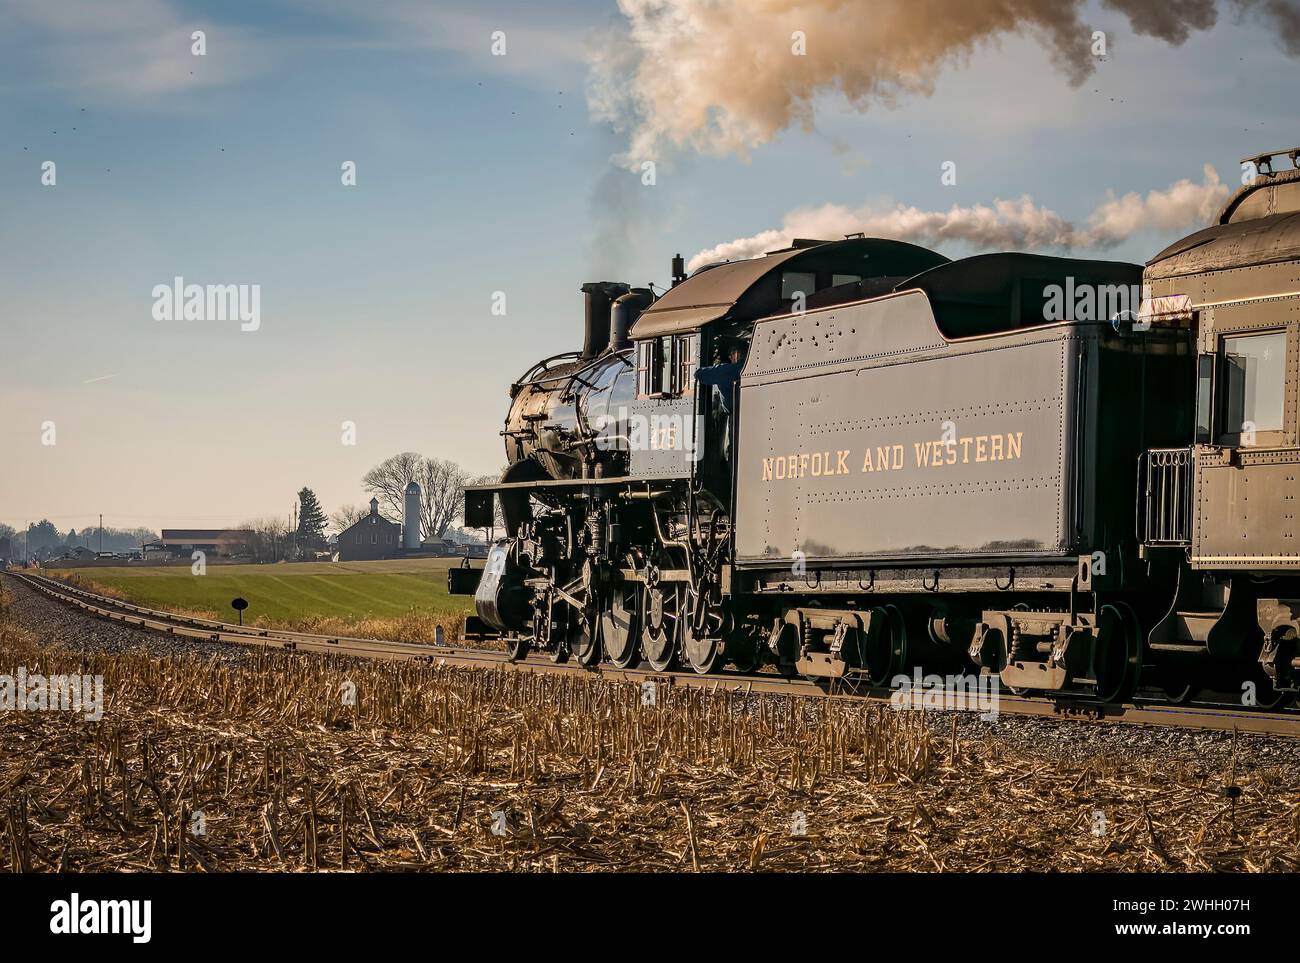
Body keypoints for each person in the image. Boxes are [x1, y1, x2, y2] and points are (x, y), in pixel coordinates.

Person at [693, 342, 747, 415]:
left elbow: (700, 374)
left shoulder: (730, 370)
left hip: (736, 416)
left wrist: (717, 365)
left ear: (738, 353)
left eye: (732, 353)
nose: (730, 357)